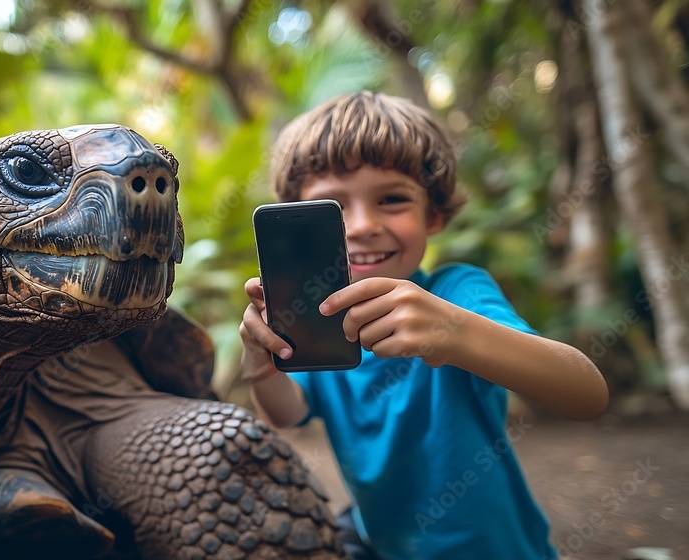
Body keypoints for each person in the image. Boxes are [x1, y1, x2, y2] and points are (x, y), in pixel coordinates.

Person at [239, 91, 608, 560]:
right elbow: (287, 414)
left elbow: (587, 395)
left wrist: (457, 334)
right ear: (298, 221)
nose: (362, 225)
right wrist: (261, 359)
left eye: (391, 199)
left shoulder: (457, 292)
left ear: (432, 215)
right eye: (333, 206)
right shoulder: (314, 318)